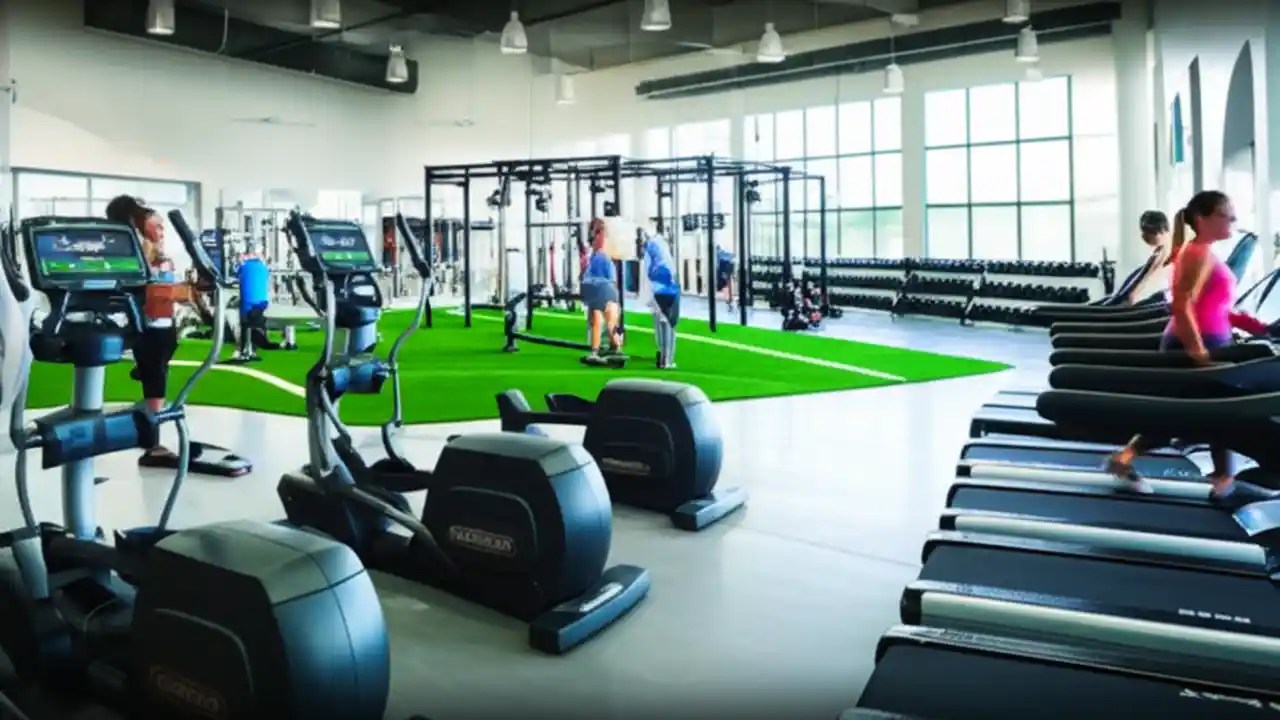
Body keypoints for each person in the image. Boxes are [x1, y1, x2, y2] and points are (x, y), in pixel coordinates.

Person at [1106, 191, 1267, 497]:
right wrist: (1197, 351)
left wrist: (1252, 324)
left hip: (1210, 339)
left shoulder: (1205, 252)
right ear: (1203, 220)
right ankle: (1219, 481)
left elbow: (1215, 306)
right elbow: (1182, 304)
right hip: (1194, 343)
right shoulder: (1196, 253)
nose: (1233, 220)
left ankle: (1222, 482)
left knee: (1217, 415)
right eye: (1225, 215)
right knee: (1201, 416)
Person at [106, 195, 187, 464]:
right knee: (156, 375)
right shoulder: (125, 239)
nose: (159, 229)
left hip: (158, 308)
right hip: (145, 313)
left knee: (165, 351)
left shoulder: (143, 233)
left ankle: (145, 377)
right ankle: (153, 447)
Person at [581, 218, 623, 361]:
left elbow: (610, 277)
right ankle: (607, 347)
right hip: (602, 289)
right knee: (602, 320)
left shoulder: (601, 255)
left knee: (604, 321)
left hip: (604, 289)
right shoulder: (595, 256)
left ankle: (606, 348)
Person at [638, 229, 680, 370]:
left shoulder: (649, 252)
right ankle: (667, 360)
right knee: (669, 324)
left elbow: (647, 274)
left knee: (660, 323)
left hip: (655, 291)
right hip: (667, 289)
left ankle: (662, 355)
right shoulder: (661, 249)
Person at [1126, 210, 1174, 305]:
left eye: (1149, 233)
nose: (1144, 237)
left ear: (1162, 230)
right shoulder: (1162, 247)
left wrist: (1134, 294)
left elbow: (1152, 274)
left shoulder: (1167, 249)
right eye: (1144, 232)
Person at [235, 241, 270, 361]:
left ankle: (246, 349)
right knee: (256, 322)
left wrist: (240, 260)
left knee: (246, 324)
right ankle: (252, 348)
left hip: (249, 302)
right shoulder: (263, 266)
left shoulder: (244, 266)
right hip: (262, 301)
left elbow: (236, 273)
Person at [715, 244, 735, 311]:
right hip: (724, 273)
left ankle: (730, 302)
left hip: (724, 273)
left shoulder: (721, 256)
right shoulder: (721, 255)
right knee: (727, 289)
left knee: (726, 289)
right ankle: (729, 302)